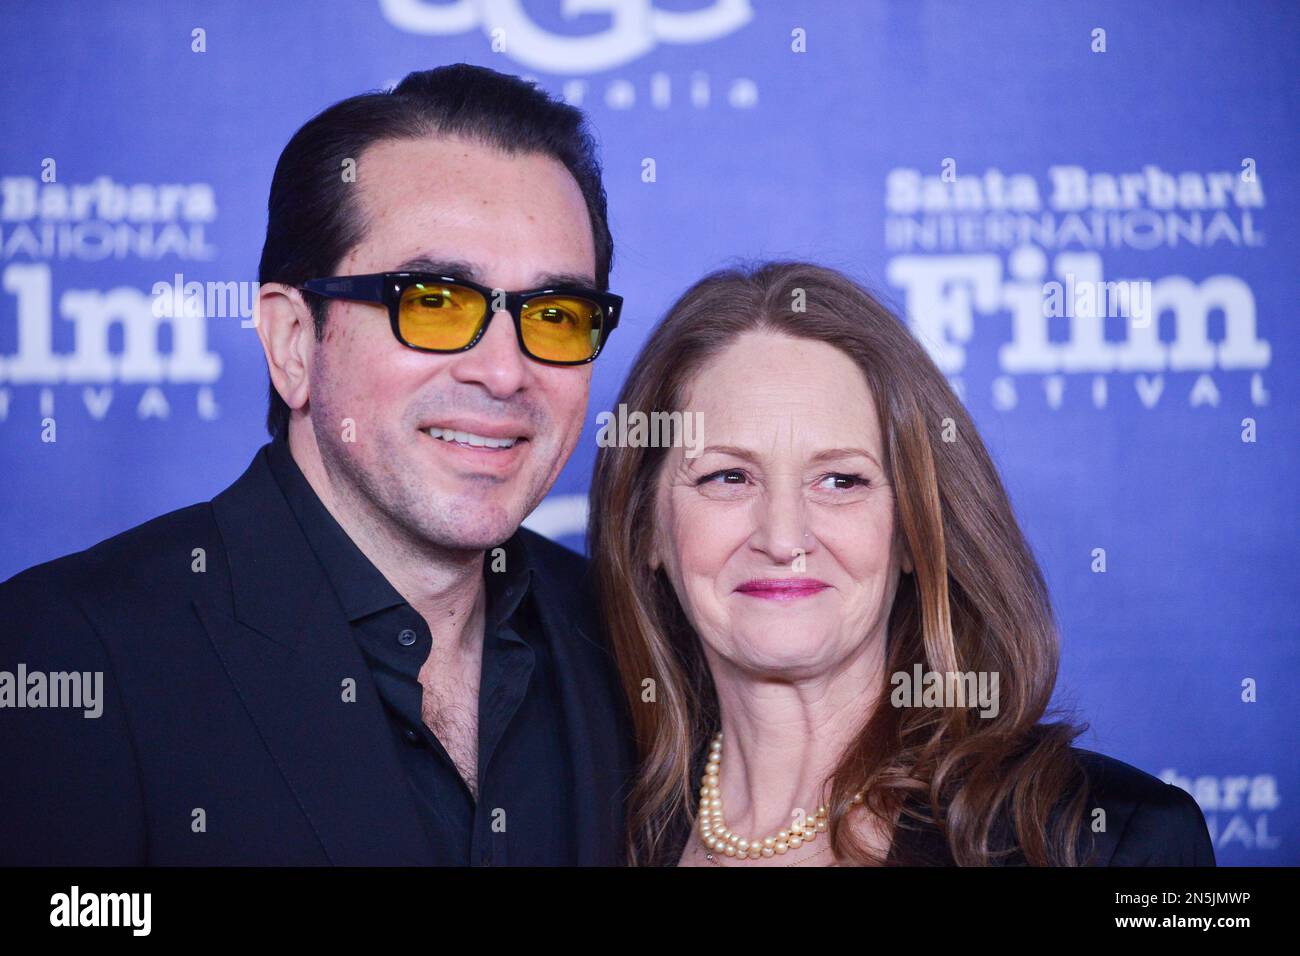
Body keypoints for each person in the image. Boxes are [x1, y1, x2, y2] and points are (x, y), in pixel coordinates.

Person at [0, 64, 635, 865]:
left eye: (554, 314)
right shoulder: (66, 655)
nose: (504, 372)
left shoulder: (627, 641)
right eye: (434, 302)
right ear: (294, 342)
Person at [588, 261, 1216, 867]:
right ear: (648, 528)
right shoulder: (585, 825)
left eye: (840, 480)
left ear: (916, 530)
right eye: (728, 476)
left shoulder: (1105, 842)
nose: (783, 537)